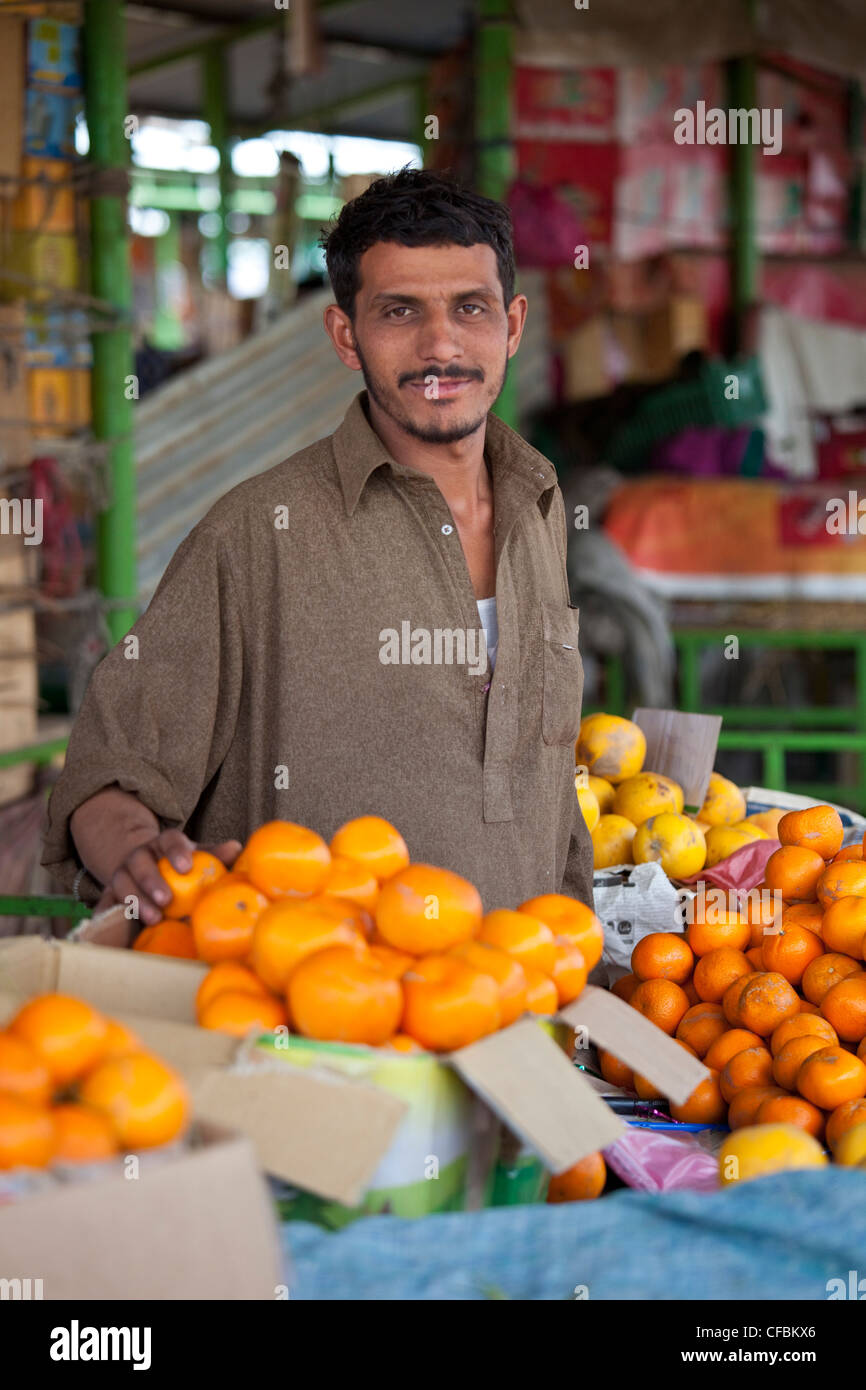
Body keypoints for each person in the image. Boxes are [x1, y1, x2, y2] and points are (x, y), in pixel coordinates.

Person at [41, 168, 593, 927]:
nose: (442, 345)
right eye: (400, 312)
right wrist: (139, 852)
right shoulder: (256, 534)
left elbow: (548, 778)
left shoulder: (540, 503)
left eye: (471, 309)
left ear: (513, 325)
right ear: (346, 335)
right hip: (323, 1015)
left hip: (533, 1001)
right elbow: (113, 772)